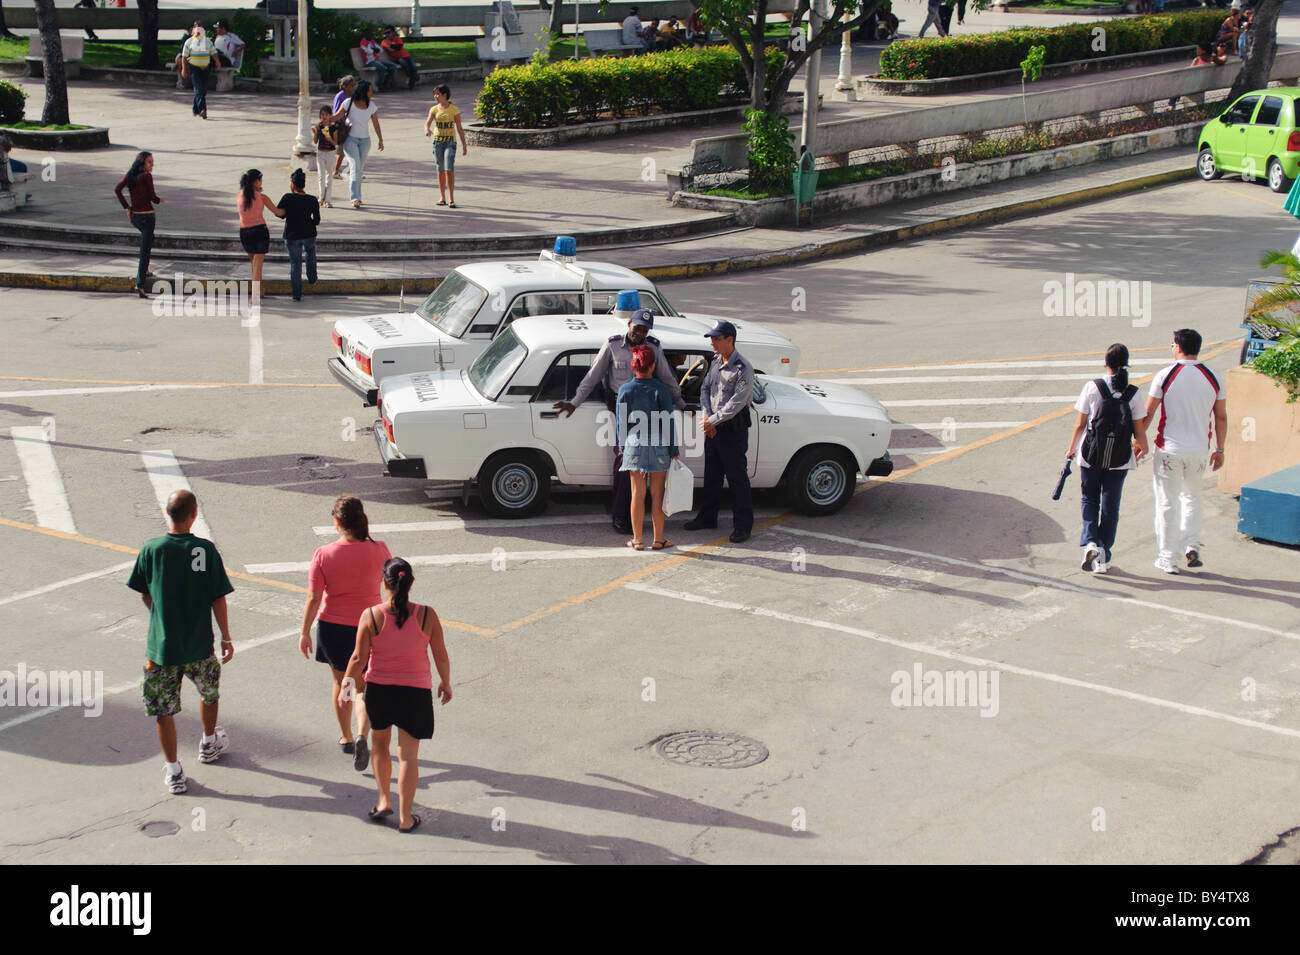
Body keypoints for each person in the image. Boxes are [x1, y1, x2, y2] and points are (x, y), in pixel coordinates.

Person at [127, 490, 234, 795]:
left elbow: (144, 592)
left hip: (161, 649)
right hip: (200, 644)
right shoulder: (205, 550)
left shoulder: (152, 549)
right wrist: (226, 636)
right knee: (209, 693)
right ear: (194, 514)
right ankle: (208, 741)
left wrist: (158, 614)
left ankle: (174, 770)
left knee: (164, 709)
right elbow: (218, 597)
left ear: (168, 513)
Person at [554, 300, 685, 535]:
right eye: (637, 329)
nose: (640, 334)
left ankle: (642, 516)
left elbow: (667, 378)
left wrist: (683, 403)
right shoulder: (613, 345)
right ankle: (621, 515)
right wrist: (575, 402)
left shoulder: (653, 348)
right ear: (629, 324)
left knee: (650, 466)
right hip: (621, 408)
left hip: (648, 410)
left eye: (645, 330)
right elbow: (592, 376)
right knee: (625, 462)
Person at [341, 558, 451, 833]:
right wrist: (445, 682)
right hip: (415, 693)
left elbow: (358, 657)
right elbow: (440, 654)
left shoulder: (371, 616)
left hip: (380, 691)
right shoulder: (427, 615)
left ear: (383, 583)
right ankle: (405, 817)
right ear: (411, 583)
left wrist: (347, 683)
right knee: (408, 757)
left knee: (380, 746)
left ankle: (382, 801)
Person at [299, 495, 392, 771]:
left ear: (337, 522)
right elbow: (388, 590)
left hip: (333, 628)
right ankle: (364, 734)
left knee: (342, 684)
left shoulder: (323, 554)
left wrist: (304, 632)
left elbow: (314, 598)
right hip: (370, 624)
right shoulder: (380, 550)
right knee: (364, 686)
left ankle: (347, 737)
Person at [1138, 328, 1228, 575]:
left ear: (1178, 346)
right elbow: (1220, 417)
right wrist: (1219, 449)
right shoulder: (1214, 377)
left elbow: (1148, 413)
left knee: (1167, 503)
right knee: (1192, 497)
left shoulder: (1165, 375)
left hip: (1169, 450)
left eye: (1172, 344)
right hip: (1199, 450)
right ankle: (1191, 545)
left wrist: (1138, 442)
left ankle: (1168, 558)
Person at [1064, 344, 1148, 575]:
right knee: (1111, 505)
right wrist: (1144, 446)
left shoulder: (1093, 387)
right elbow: (1138, 427)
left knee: (1090, 499)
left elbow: (1081, 424)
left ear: (1105, 362)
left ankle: (1089, 542)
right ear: (1126, 363)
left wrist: (1071, 449)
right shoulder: (1133, 393)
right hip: (1119, 458)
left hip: (1091, 455)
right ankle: (1103, 555)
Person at [683, 320, 755, 544]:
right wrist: (707, 417)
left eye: (716, 338)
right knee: (712, 476)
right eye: (711, 338)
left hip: (732, 430)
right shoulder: (715, 361)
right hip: (713, 428)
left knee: (737, 479)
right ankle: (707, 517)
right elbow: (705, 389)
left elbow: (737, 402)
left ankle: (743, 526)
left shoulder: (743, 367)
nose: (712, 342)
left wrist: (712, 420)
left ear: (729, 340)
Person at [617, 344, 680, 550]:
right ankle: (658, 539)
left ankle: (637, 540)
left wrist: (622, 447)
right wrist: (674, 448)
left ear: (633, 366)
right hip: (658, 444)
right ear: (652, 365)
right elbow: (668, 421)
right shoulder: (661, 390)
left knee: (637, 493)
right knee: (658, 494)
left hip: (634, 444)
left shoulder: (625, 390)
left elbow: (621, 423)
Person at [114, 151, 163, 299]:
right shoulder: (147, 176)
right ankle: (140, 284)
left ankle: (146, 270)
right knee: (145, 250)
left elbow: (117, 190)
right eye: (149, 162)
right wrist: (160, 200)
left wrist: (127, 208)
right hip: (147, 216)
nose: (152, 165)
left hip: (135, 217)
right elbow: (152, 197)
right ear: (142, 164)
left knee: (149, 238)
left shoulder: (130, 176)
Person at [332, 80, 383, 208]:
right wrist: (324, 122)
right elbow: (336, 117)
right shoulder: (348, 103)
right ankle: (355, 198)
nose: (372, 92)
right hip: (350, 139)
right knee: (355, 166)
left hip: (365, 141)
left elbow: (376, 124)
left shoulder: (371, 106)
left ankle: (357, 195)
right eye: (370, 90)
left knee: (359, 169)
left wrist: (380, 140)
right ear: (364, 91)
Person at [237, 168, 284, 306]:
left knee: (254, 264)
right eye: (260, 180)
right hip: (259, 232)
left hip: (244, 232)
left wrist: (256, 190)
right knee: (257, 266)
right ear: (256, 181)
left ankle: (260, 290)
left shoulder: (239, 196)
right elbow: (278, 212)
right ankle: (255, 295)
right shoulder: (262, 197)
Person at [277, 169, 320, 302]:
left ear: (292, 185)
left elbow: (280, 214)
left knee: (295, 264)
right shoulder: (312, 200)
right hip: (309, 233)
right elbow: (317, 220)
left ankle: (297, 294)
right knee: (310, 253)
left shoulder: (287, 198)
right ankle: (312, 277)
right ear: (303, 185)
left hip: (292, 235)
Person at [423, 84, 468, 208]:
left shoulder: (454, 110)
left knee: (449, 169)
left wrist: (464, 144)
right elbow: (427, 123)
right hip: (438, 142)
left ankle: (451, 198)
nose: (435, 96)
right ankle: (442, 197)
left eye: (438, 94)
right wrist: (427, 130)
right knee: (440, 169)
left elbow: (459, 128)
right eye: (435, 94)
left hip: (450, 142)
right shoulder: (434, 109)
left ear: (445, 95)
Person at [180, 22, 215, 119]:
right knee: (199, 88)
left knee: (202, 89)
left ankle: (196, 110)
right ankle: (202, 109)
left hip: (205, 67)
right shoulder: (189, 41)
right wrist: (184, 69)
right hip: (194, 67)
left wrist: (218, 62)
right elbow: (184, 56)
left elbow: (213, 52)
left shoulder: (207, 41)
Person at [313, 105, 338, 208]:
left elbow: (335, 143)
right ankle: (321, 197)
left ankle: (328, 199)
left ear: (330, 115)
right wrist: (315, 133)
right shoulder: (319, 126)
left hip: (330, 153)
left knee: (329, 177)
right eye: (322, 114)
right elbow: (315, 141)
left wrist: (329, 138)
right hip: (320, 152)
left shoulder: (333, 128)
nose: (324, 117)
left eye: (326, 114)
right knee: (321, 176)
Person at [332, 77, 356, 181]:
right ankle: (335, 171)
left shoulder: (350, 95)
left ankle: (354, 171)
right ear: (345, 86)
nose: (352, 87)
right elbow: (337, 112)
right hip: (341, 125)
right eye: (350, 85)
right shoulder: (340, 96)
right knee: (341, 151)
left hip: (349, 124)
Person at [382, 26, 418, 90]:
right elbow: (395, 47)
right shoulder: (384, 41)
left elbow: (399, 47)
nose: (387, 34)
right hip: (397, 58)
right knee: (405, 64)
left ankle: (412, 79)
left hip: (406, 55)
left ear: (393, 32)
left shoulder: (397, 38)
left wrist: (393, 46)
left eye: (388, 32)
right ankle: (413, 78)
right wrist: (394, 46)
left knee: (413, 66)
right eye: (385, 33)